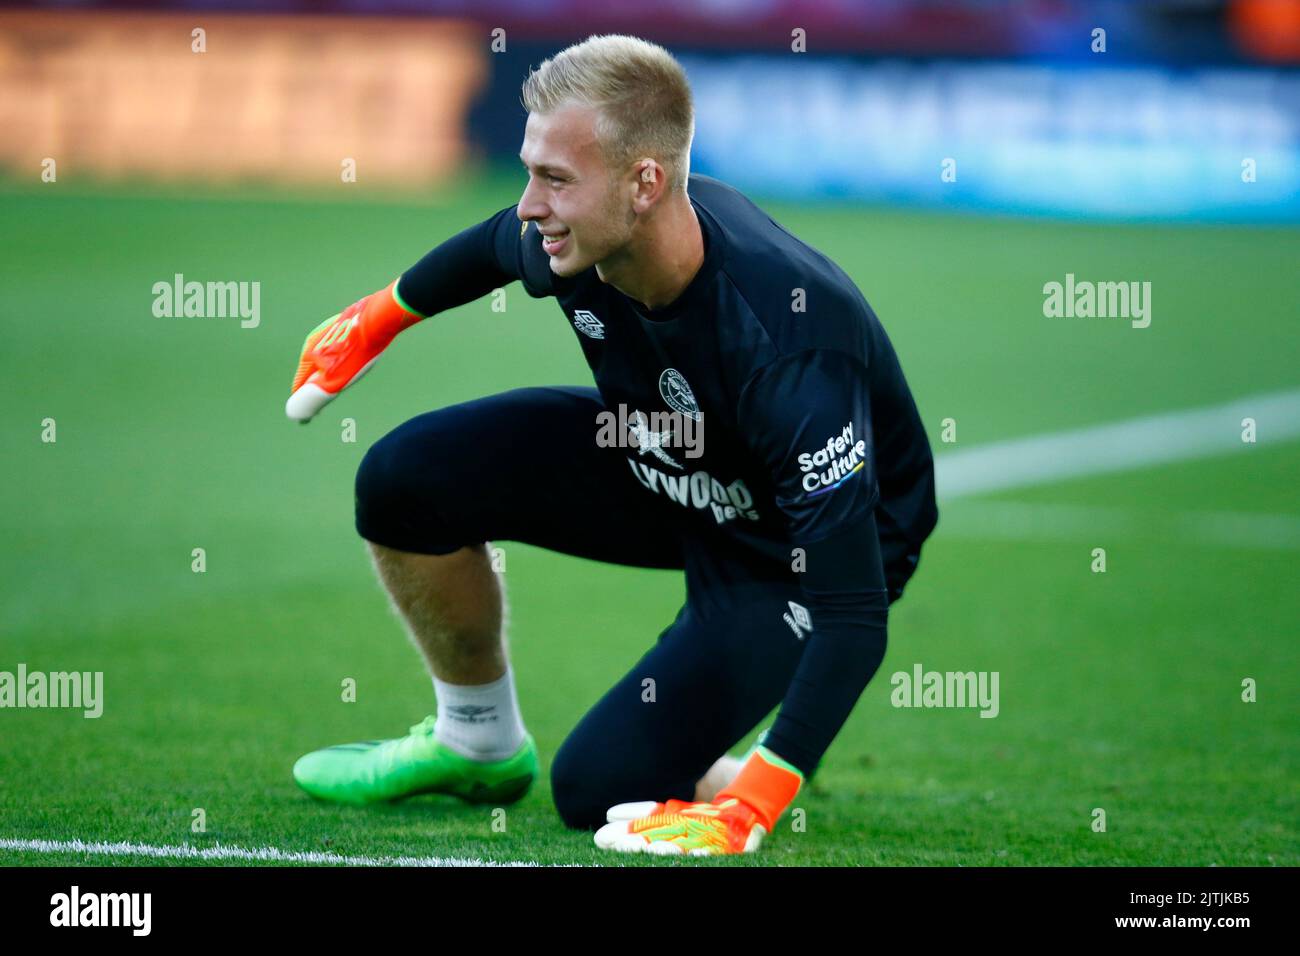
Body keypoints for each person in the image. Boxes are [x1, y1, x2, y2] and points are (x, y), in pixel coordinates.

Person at [287, 34, 937, 856]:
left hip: (791, 549)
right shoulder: (581, 237)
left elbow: (854, 613)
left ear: (645, 183)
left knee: (597, 788)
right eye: (530, 171)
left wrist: (756, 806)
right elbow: (490, 247)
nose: (529, 203)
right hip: (671, 453)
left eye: (555, 179)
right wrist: (379, 317)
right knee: (405, 477)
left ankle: (732, 776)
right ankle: (476, 740)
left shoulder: (787, 343)